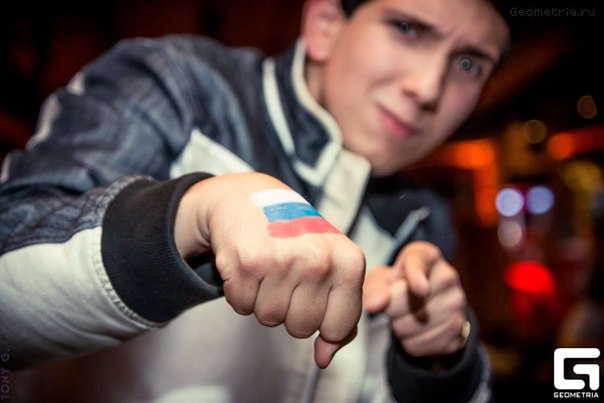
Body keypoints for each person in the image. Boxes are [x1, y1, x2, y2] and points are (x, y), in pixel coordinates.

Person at [0, 0, 510, 401]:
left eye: (469, 62)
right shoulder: (177, 87)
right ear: (326, 25)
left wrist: (439, 355)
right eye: (407, 28)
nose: (428, 87)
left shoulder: (421, 220)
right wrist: (188, 217)